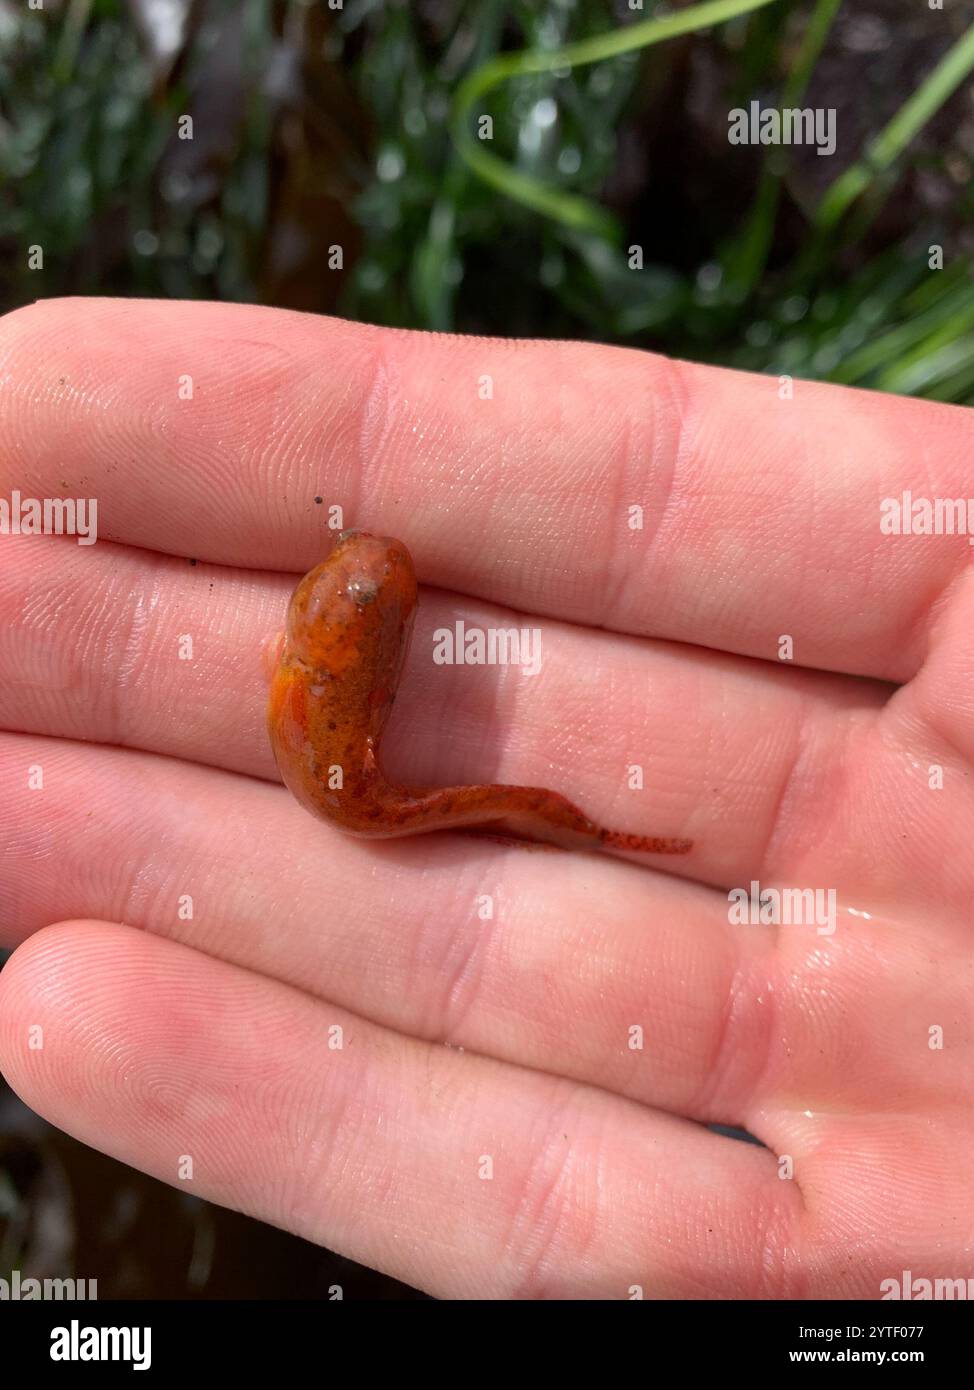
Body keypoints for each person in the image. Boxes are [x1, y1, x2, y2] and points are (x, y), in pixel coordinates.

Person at [0, 296, 972, 1299]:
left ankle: (586, 828)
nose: (370, 573)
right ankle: (582, 827)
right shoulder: (328, 679)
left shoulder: (323, 660)